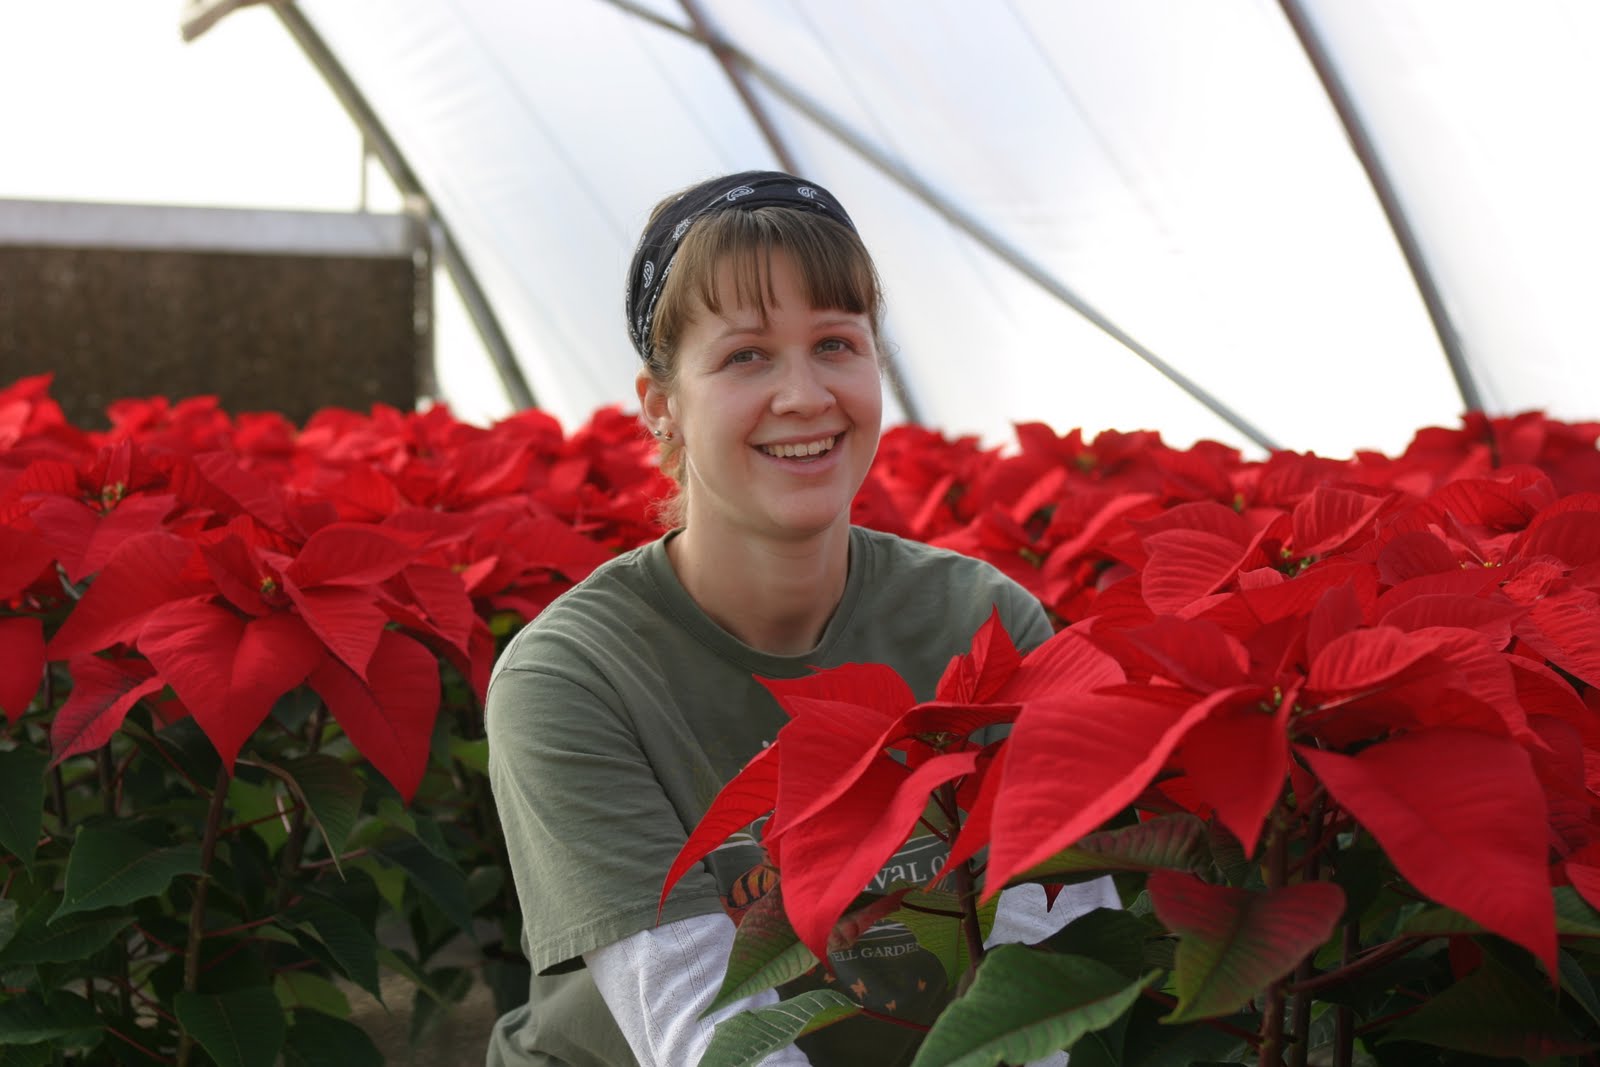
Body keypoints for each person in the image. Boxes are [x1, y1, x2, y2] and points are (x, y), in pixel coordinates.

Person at [484, 171, 1117, 1066]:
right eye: (747, 355)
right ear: (662, 407)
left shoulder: (990, 623)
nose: (806, 395)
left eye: (835, 343)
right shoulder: (574, 676)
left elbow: (1055, 958)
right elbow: (707, 1035)